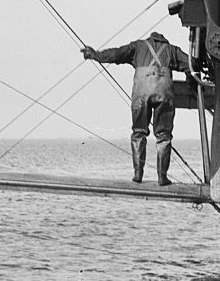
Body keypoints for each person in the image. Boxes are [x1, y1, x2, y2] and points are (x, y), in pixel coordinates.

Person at [81, 32, 191, 186]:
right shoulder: (172, 50)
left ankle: (138, 174)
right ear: (163, 41)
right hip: (164, 94)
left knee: (139, 132)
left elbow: (116, 54)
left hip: (141, 94)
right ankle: (162, 177)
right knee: (164, 136)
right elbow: (190, 64)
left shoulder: (138, 47)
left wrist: (95, 55)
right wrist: (189, 77)